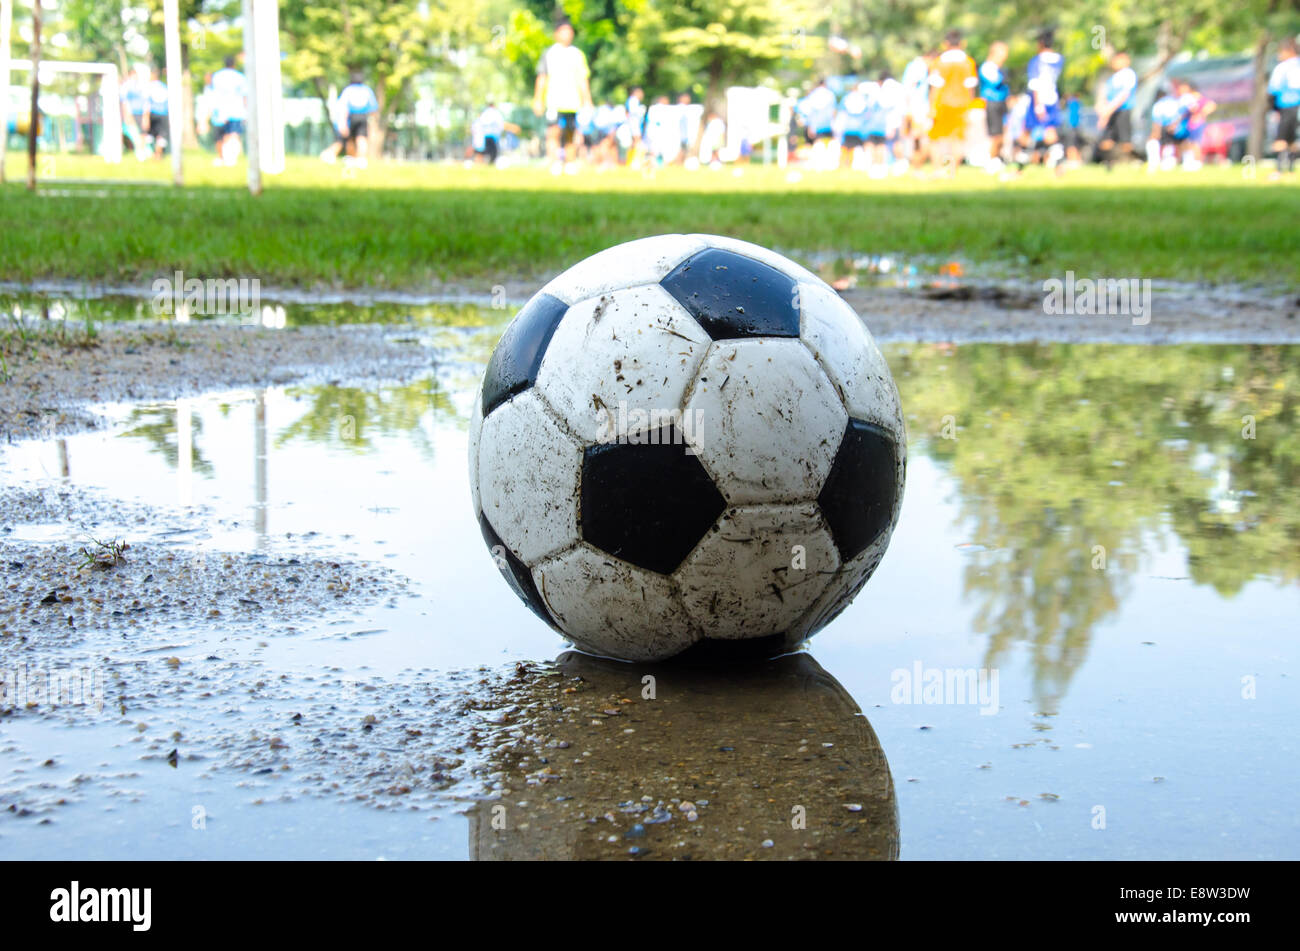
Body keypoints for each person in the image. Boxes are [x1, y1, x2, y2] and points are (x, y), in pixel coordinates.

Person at [533, 18, 592, 174]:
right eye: (564, 31)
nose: (567, 34)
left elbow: (583, 79)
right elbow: (542, 78)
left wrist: (588, 101)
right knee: (554, 132)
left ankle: (570, 162)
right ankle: (555, 163)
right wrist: (538, 99)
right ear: (556, 34)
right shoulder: (549, 53)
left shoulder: (578, 54)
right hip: (554, 101)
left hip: (573, 102)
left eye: (570, 31)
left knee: (571, 133)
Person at [928, 30, 977, 175]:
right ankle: (952, 171)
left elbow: (935, 87)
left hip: (942, 104)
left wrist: (932, 107)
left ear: (945, 44)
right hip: (962, 105)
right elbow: (971, 87)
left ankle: (938, 169)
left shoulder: (940, 62)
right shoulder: (968, 62)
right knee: (957, 140)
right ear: (962, 43)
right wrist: (970, 106)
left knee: (938, 140)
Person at [1020, 29, 1065, 171]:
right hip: (1052, 98)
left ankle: (1019, 167)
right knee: (1050, 132)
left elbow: (1035, 84)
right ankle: (1059, 166)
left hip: (1039, 99)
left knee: (1026, 132)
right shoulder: (1059, 59)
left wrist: (1038, 105)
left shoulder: (1036, 61)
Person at [321, 70, 378, 167]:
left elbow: (343, 106)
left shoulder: (348, 90)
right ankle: (361, 160)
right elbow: (373, 108)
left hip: (350, 116)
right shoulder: (367, 90)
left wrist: (342, 121)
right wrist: (372, 121)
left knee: (348, 139)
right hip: (363, 116)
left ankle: (350, 158)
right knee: (362, 138)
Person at [1095, 50, 1137, 169]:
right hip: (1111, 111)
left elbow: (1124, 95)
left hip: (1122, 111)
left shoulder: (1129, 74)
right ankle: (1109, 163)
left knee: (1125, 141)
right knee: (1106, 140)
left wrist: (1108, 111)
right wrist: (1102, 110)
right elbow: (1105, 95)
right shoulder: (1113, 78)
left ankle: (1132, 162)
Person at [209, 55, 248, 166]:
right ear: (234, 64)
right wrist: (246, 111)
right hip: (237, 110)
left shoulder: (217, 76)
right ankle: (231, 158)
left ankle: (223, 157)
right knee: (234, 134)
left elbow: (213, 93)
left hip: (220, 110)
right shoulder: (240, 77)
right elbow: (244, 95)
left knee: (223, 135)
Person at [1269, 37, 1300, 176]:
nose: (1279, 55)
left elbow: (1273, 90)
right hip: (1296, 107)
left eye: (1281, 51)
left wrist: (1274, 110)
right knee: (1293, 138)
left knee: (1281, 138)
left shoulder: (1282, 68)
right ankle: (1292, 169)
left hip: (1287, 106)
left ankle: (1279, 169)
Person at [979, 41, 1011, 170]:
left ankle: (998, 158)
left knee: (1003, 133)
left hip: (1002, 103)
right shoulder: (988, 68)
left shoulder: (1000, 68)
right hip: (993, 103)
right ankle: (991, 161)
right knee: (996, 134)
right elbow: (995, 82)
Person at [901, 51, 935, 166]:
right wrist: (909, 108)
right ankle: (918, 166)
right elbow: (911, 87)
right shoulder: (919, 67)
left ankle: (917, 167)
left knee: (917, 139)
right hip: (918, 108)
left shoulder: (912, 66)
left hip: (915, 108)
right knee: (922, 138)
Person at [796, 77, 838, 170]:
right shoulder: (830, 94)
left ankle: (818, 164)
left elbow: (811, 112)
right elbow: (834, 111)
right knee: (829, 143)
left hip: (817, 123)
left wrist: (811, 125)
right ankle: (829, 164)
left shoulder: (813, 95)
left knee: (817, 143)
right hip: (828, 123)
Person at [1175, 79, 1215, 169]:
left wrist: (1201, 114)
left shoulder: (1196, 97)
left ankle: (1197, 162)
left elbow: (1211, 105)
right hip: (1188, 124)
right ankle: (1188, 162)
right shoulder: (1186, 97)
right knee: (1187, 143)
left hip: (1196, 123)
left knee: (1195, 143)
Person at [1146, 86, 1187, 171]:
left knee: (1167, 144)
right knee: (1181, 144)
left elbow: (1157, 121)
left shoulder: (1158, 104)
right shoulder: (1174, 101)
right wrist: (1175, 124)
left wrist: (1156, 133)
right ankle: (1184, 162)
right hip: (1179, 125)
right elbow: (1182, 113)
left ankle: (1165, 163)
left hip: (1166, 126)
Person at [119, 64, 149, 160]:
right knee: (134, 133)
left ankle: (143, 152)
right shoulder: (126, 86)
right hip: (131, 113)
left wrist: (146, 115)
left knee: (143, 133)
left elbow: (146, 101)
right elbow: (124, 101)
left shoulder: (142, 86)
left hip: (141, 113)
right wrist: (127, 114)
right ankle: (139, 152)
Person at [144, 65, 170, 160]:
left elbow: (147, 103)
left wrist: (145, 117)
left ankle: (153, 154)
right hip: (163, 114)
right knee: (161, 135)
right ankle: (158, 154)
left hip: (153, 113)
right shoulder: (164, 87)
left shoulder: (149, 87)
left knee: (150, 135)